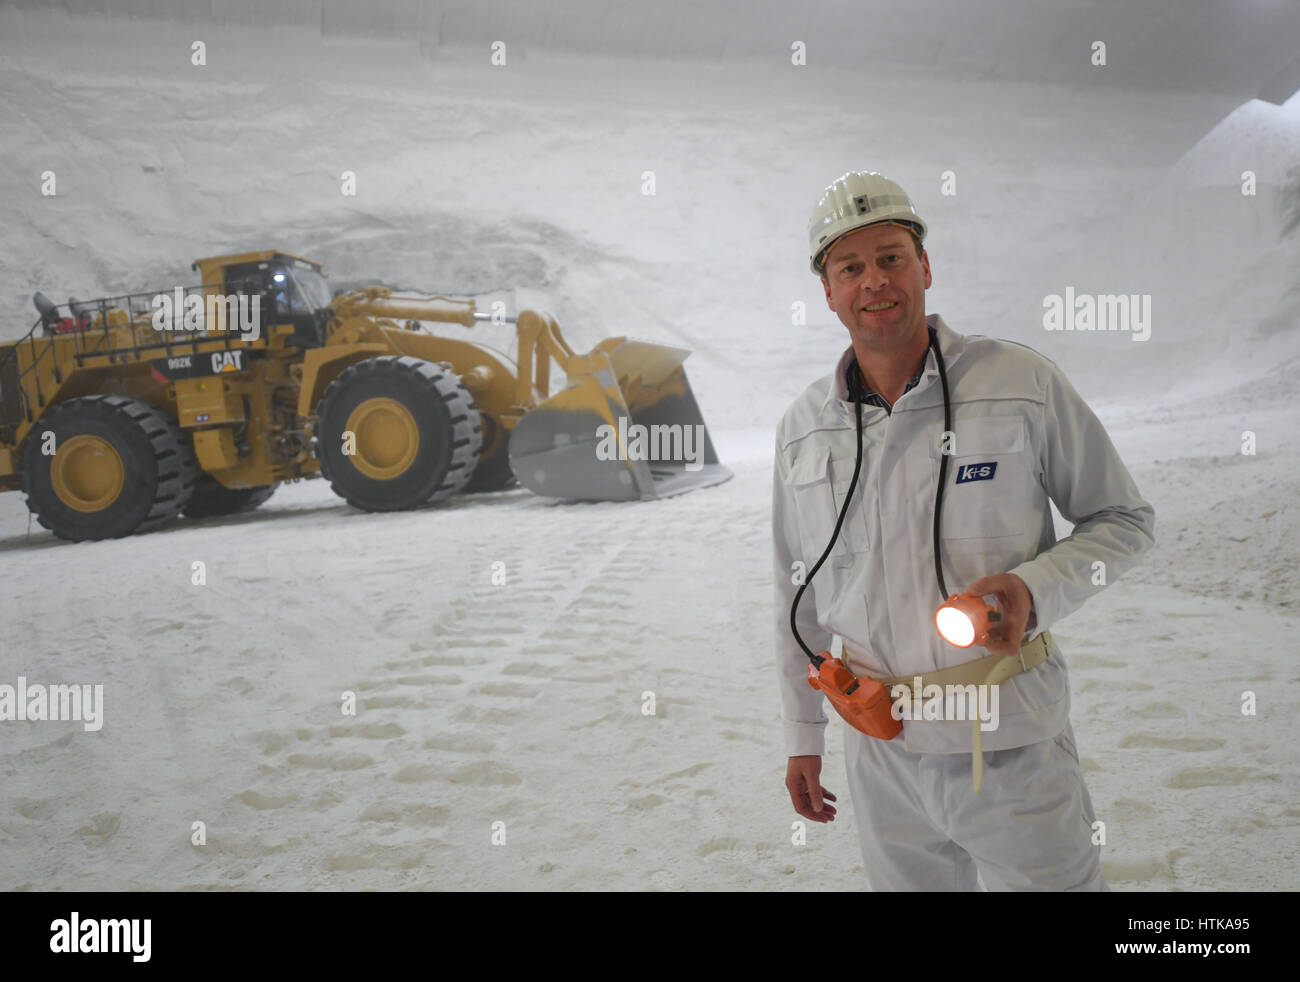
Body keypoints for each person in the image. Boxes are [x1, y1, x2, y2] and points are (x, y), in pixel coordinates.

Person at [773, 171, 1156, 891]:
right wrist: (803, 738)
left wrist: (1031, 590)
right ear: (827, 291)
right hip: (878, 748)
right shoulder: (804, 429)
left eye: (891, 257)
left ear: (925, 266)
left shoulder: (1017, 384)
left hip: (1007, 738)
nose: (874, 281)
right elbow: (792, 597)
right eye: (849, 267)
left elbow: (1124, 520)